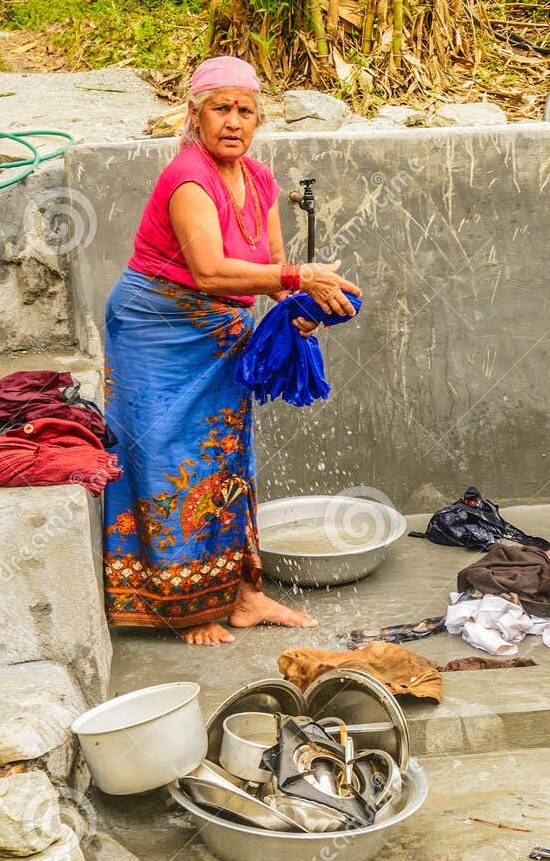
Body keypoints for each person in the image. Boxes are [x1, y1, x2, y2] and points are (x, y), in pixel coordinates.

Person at [101, 55, 360, 646]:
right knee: (167, 457)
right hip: (157, 332)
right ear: (194, 115)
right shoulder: (187, 178)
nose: (234, 121)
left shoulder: (261, 179)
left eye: (245, 110)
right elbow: (213, 272)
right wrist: (302, 276)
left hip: (222, 329)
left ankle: (244, 595)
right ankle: (184, 607)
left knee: (227, 452)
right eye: (220, 108)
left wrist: (301, 315)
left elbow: (267, 271)